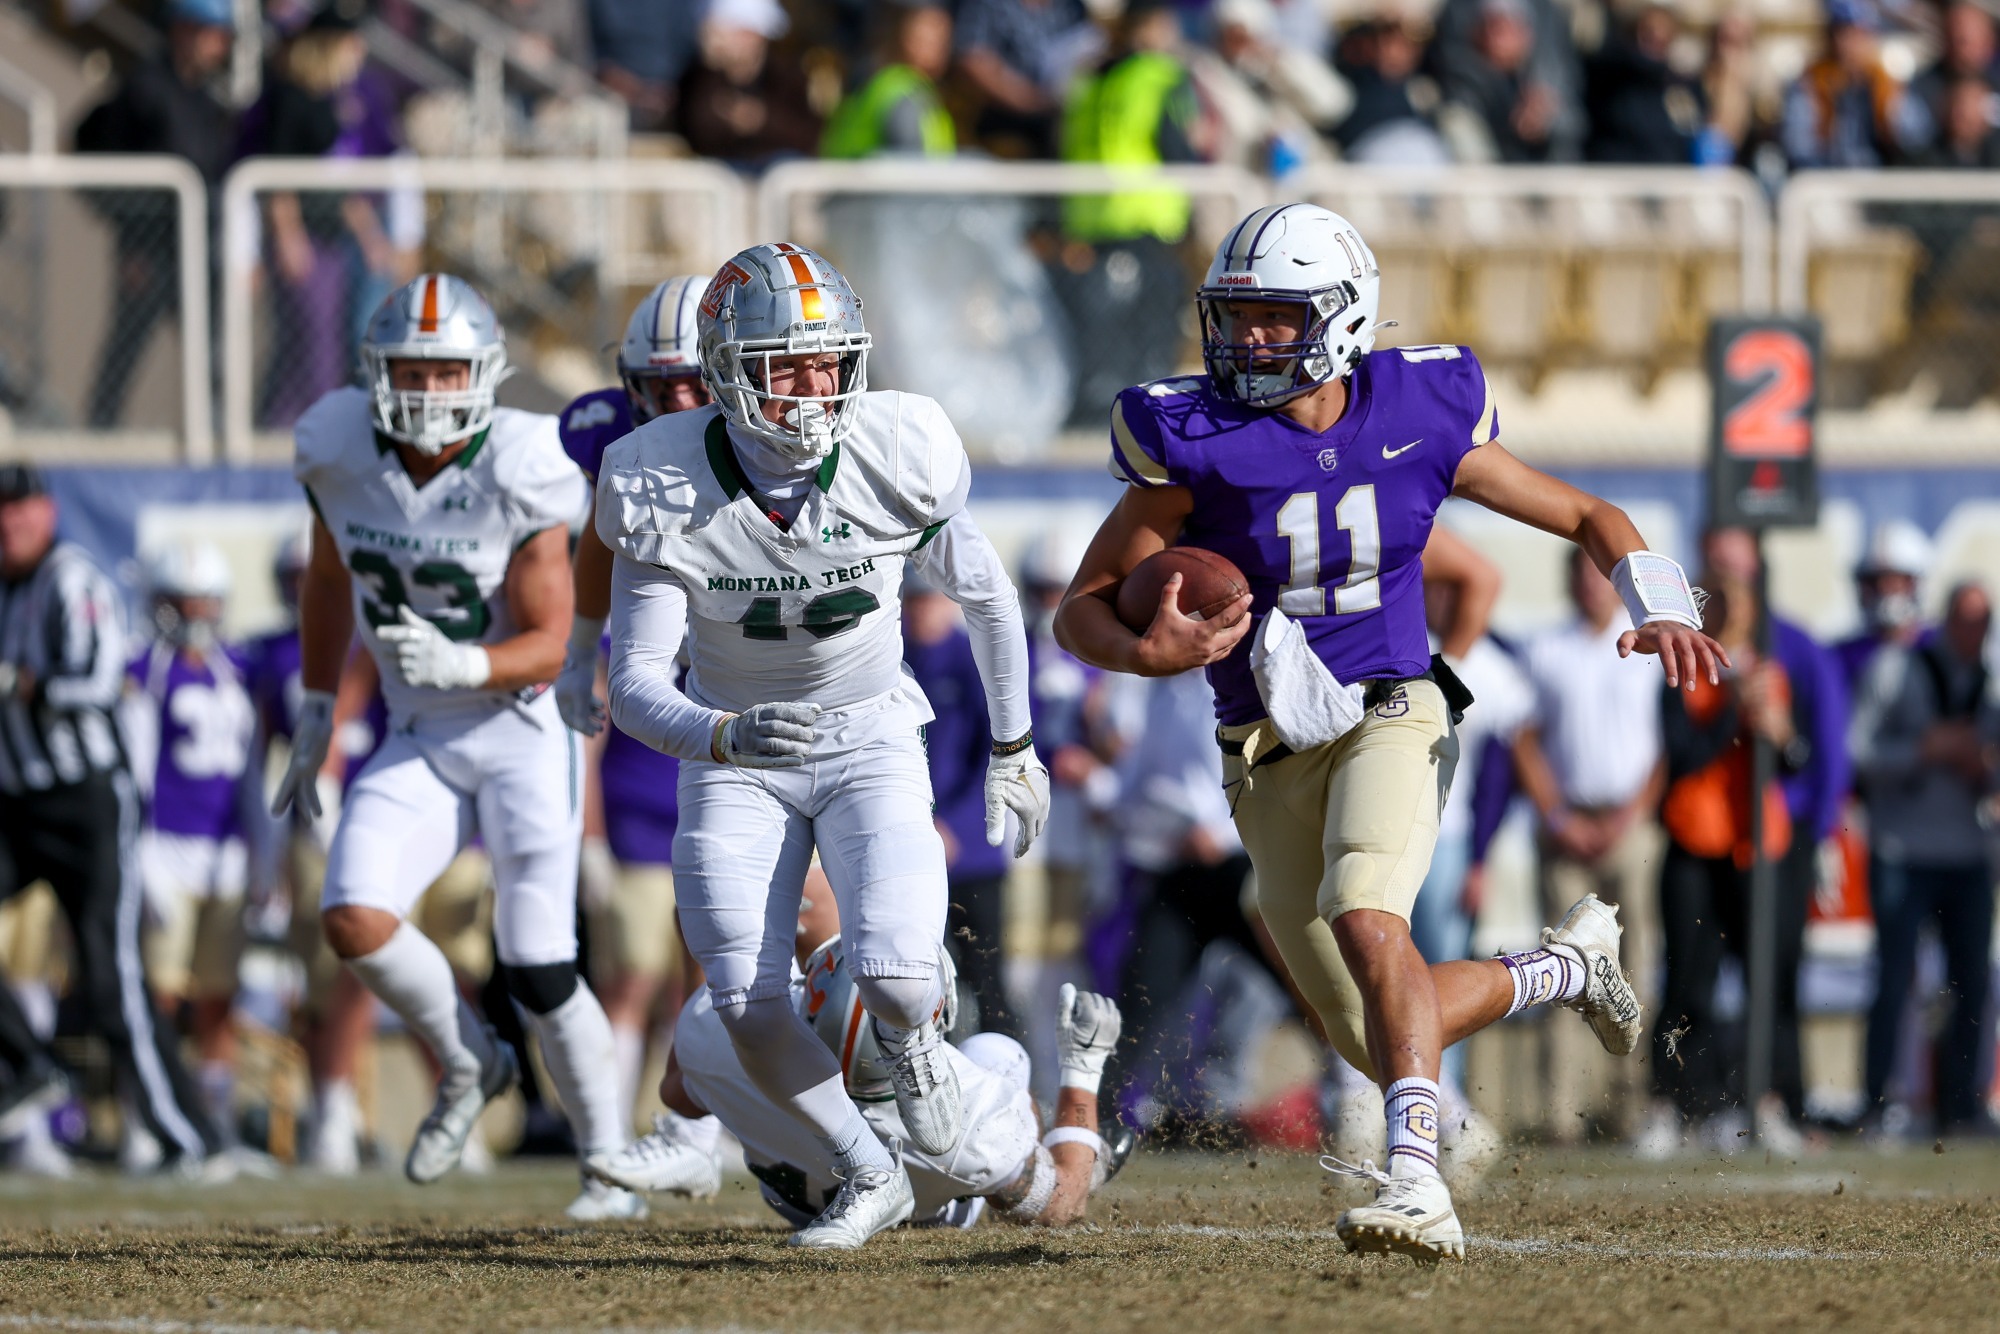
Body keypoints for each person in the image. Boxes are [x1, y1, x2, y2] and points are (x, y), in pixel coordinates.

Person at [1052, 202, 1727, 1261]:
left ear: (1342, 314)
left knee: (1367, 913)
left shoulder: (1422, 400)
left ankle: (1416, 1178)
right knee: (1362, 1027)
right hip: (1261, 743)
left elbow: (1589, 514)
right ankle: (1561, 966)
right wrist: (1144, 653)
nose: (1250, 341)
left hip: (1392, 704)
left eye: (1277, 317)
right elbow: (1081, 605)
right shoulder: (1189, 434)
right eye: (1236, 317)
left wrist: (1661, 605)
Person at [598, 243, 1050, 1249]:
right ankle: (864, 1169)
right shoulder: (657, 477)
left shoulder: (898, 443)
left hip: (869, 734)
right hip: (734, 750)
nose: (812, 391)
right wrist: (720, 732)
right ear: (722, 371)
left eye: (829, 364)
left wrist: (1015, 744)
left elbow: (984, 593)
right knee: (744, 994)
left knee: (896, 974)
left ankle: (929, 1071)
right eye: (782, 368)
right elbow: (631, 685)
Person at [269, 274, 638, 1218]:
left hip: (521, 728)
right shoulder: (336, 445)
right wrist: (318, 704)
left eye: (446, 372)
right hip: (419, 731)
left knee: (539, 960)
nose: (429, 392)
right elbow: (324, 577)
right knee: (351, 916)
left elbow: (560, 642)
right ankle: (474, 1055)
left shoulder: (522, 461)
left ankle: (607, 1165)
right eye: (410, 371)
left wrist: (464, 662)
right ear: (374, 375)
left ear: (485, 376)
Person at [588, 917, 1130, 1233]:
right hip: (930, 1205)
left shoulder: (720, 1025)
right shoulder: (969, 1115)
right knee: (1000, 1054)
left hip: (795, 1201)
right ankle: (1062, 1153)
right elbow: (1063, 1204)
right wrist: (1082, 1067)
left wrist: (725, 948)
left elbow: (678, 1095)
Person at [0, 463, 223, 1173]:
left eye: (23, 512)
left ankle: (189, 1138)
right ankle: (30, 1065)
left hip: (87, 803)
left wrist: (16, 683)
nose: (12, 527)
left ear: (46, 513)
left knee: (110, 979)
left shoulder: (72, 579)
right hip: (17, 803)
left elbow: (95, 677)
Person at [553, 275, 713, 1128]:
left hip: (743, 717)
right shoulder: (601, 443)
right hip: (644, 788)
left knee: (729, 969)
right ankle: (611, 1138)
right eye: (660, 385)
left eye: (694, 382)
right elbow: (583, 538)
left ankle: (724, 1128)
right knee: (635, 976)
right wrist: (580, 649)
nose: (678, 402)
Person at [1699, 526, 1848, 1149]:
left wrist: (1823, 827)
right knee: (1700, 975)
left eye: (1741, 568)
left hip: (1777, 837)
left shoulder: (1796, 647)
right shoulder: (1691, 645)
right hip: (1709, 837)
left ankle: (1783, 1099)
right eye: (1719, 567)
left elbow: (1826, 747)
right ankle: (1704, 1102)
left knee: (1777, 974)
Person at [1513, 548, 1666, 1147]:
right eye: (1581, 577)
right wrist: (1556, 814)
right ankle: (1560, 1114)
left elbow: (1660, 750)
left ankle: (1626, 1111)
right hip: (1567, 828)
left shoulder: (1645, 654)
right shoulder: (1545, 650)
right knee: (1561, 967)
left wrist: (1629, 814)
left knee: (1634, 970)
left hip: (1630, 826)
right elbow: (1524, 739)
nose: (1590, 589)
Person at [1652, 564, 1797, 1148]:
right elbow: (1684, 757)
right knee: (1688, 981)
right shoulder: (1682, 674)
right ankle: (1676, 1103)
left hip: (1756, 845)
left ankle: (1766, 1098)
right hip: (1694, 839)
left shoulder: (1771, 674)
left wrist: (1779, 730)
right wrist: (1733, 710)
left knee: (1767, 980)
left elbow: (1795, 761)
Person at [122, 542, 258, 1148]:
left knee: (218, 997)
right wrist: (140, 854)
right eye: (185, 601)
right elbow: (135, 772)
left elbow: (252, 775)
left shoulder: (237, 669)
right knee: (160, 995)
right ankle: (145, 1118)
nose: (198, 611)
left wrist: (266, 854)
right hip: (166, 848)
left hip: (226, 854)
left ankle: (213, 1115)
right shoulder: (144, 671)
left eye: (206, 599)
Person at [1850, 580, 1997, 1137]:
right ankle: (1879, 1101)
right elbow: (1857, 751)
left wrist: (1981, 765)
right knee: (1892, 977)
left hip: (1967, 851)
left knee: (1971, 983)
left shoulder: (1991, 683)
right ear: (1944, 620)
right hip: (1902, 850)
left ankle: (1962, 1104)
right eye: (1962, 619)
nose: (1972, 632)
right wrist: (1925, 750)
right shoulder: (1896, 670)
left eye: (1982, 621)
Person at [74, 0, 237, 429]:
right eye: (210, 34)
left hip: (198, 249)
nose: (219, 46)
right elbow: (105, 168)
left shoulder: (205, 97)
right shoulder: (142, 89)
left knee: (211, 354)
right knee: (125, 351)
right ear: (182, 30)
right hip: (149, 251)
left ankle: (216, 439)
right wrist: (132, 239)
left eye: (223, 37)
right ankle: (100, 437)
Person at [904, 571, 1020, 1041]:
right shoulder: (895, 661)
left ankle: (1009, 1083)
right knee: (916, 978)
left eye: (930, 600)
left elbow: (995, 754)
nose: (921, 611)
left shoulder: (974, 662)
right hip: (912, 847)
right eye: (913, 601)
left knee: (985, 976)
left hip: (969, 851)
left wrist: (953, 823)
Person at [1780, 0, 1932, 169]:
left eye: (1858, 33)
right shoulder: (1809, 83)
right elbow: (1799, 149)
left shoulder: (1885, 80)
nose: (1848, 44)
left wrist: (1888, 100)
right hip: (1827, 184)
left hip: (1882, 185)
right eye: (1842, 33)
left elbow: (1917, 138)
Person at [675, 0, 823, 170]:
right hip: (724, 172)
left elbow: (810, 135)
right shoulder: (702, 76)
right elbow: (693, 129)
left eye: (726, 33)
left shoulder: (787, 75)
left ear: (753, 36)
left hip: (775, 173)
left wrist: (762, 121)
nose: (716, 41)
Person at [1436, 0, 1585, 162]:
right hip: (1482, 120)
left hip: (1548, 153)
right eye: (1494, 28)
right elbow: (1455, 74)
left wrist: (1545, 113)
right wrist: (1499, 87)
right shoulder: (1456, 10)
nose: (1497, 36)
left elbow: (1572, 107)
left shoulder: (1548, 12)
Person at [954, 0, 1097, 159]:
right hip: (1003, 121)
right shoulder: (988, 5)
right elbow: (974, 57)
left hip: (1063, 120)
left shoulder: (1072, 7)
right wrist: (1031, 101)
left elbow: (1089, 49)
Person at [822, 2, 957, 159]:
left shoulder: (876, 80)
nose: (942, 45)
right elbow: (909, 165)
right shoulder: (902, 92)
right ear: (906, 36)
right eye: (934, 34)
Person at [1835, 519, 1935, 693]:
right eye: (1874, 582)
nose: (1882, 591)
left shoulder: (1938, 648)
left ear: (1914, 584)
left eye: (1893, 582)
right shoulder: (1844, 656)